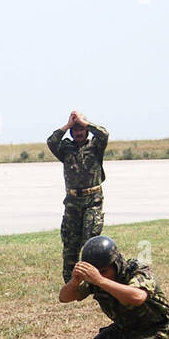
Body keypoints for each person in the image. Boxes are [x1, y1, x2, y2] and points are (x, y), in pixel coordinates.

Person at [46, 111, 109, 282]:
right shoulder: (66, 149)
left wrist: (84, 122)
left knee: (91, 242)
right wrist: (67, 125)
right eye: (75, 130)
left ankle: (94, 281)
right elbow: (51, 141)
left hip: (92, 201)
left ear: (87, 131)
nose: (79, 133)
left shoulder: (95, 146)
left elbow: (104, 133)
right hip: (73, 202)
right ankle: (70, 282)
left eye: (81, 130)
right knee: (70, 244)